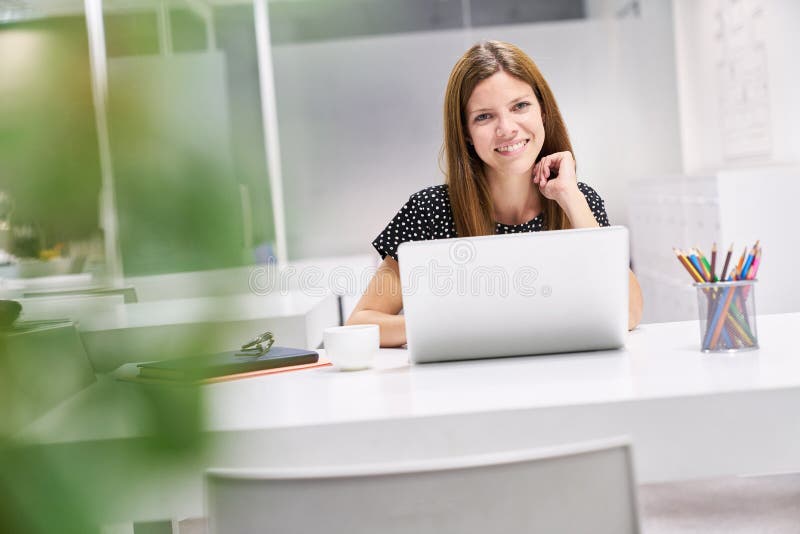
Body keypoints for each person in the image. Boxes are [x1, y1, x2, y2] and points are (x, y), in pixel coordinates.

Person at [347, 40, 643, 346]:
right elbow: (361, 322)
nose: (507, 128)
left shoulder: (579, 201)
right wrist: (452, 326)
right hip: (464, 387)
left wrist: (571, 198)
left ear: (543, 111)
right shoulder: (430, 210)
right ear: (466, 132)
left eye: (520, 106)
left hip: (562, 381)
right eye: (484, 117)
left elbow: (630, 312)